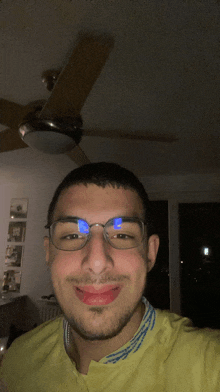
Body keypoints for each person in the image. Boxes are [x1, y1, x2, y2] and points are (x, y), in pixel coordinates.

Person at [0, 162, 220, 391]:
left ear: (150, 253)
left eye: (122, 235)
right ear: (48, 252)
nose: (96, 262)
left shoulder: (209, 366)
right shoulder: (18, 362)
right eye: (73, 235)